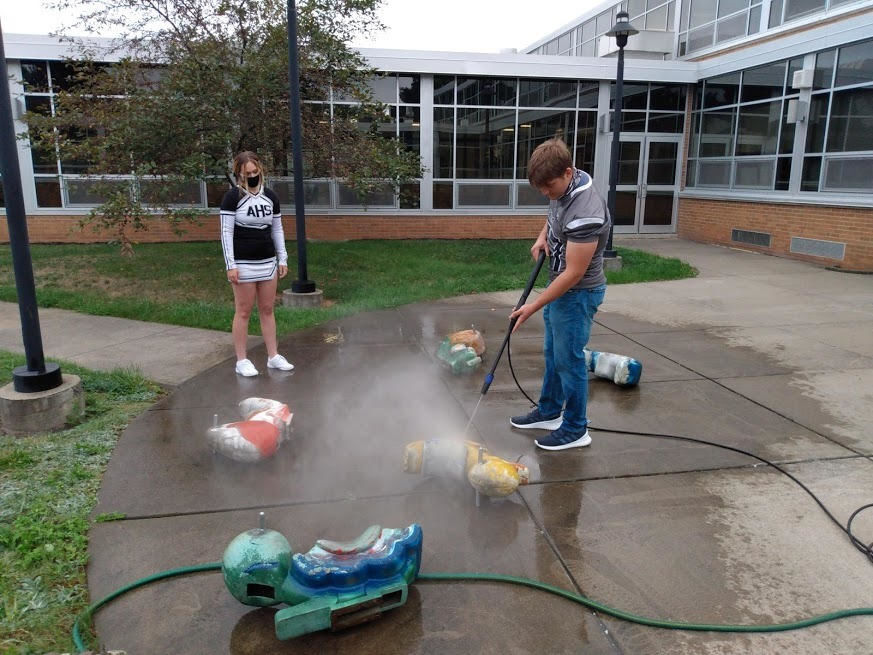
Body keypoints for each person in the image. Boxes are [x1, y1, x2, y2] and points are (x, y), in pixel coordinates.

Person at [508, 138, 610, 451]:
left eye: (548, 186)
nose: (545, 193)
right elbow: (554, 215)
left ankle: (576, 429)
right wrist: (543, 237)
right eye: (540, 188)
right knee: (554, 356)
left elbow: (574, 273)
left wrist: (533, 306)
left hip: (578, 294)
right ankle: (550, 411)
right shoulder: (564, 188)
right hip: (562, 289)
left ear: (568, 172)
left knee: (569, 361)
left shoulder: (586, 211)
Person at [220, 151, 295, 376]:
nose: (252, 176)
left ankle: (273, 356)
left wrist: (282, 258)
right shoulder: (232, 198)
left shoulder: (270, 197)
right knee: (243, 311)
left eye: (255, 171)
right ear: (239, 174)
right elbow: (226, 232)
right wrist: (230, 265)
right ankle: (241, 360)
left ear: (260, 170)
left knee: (267, 309)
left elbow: (277, 228)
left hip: (267, 262)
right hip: (243, 263)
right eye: (247, 173)